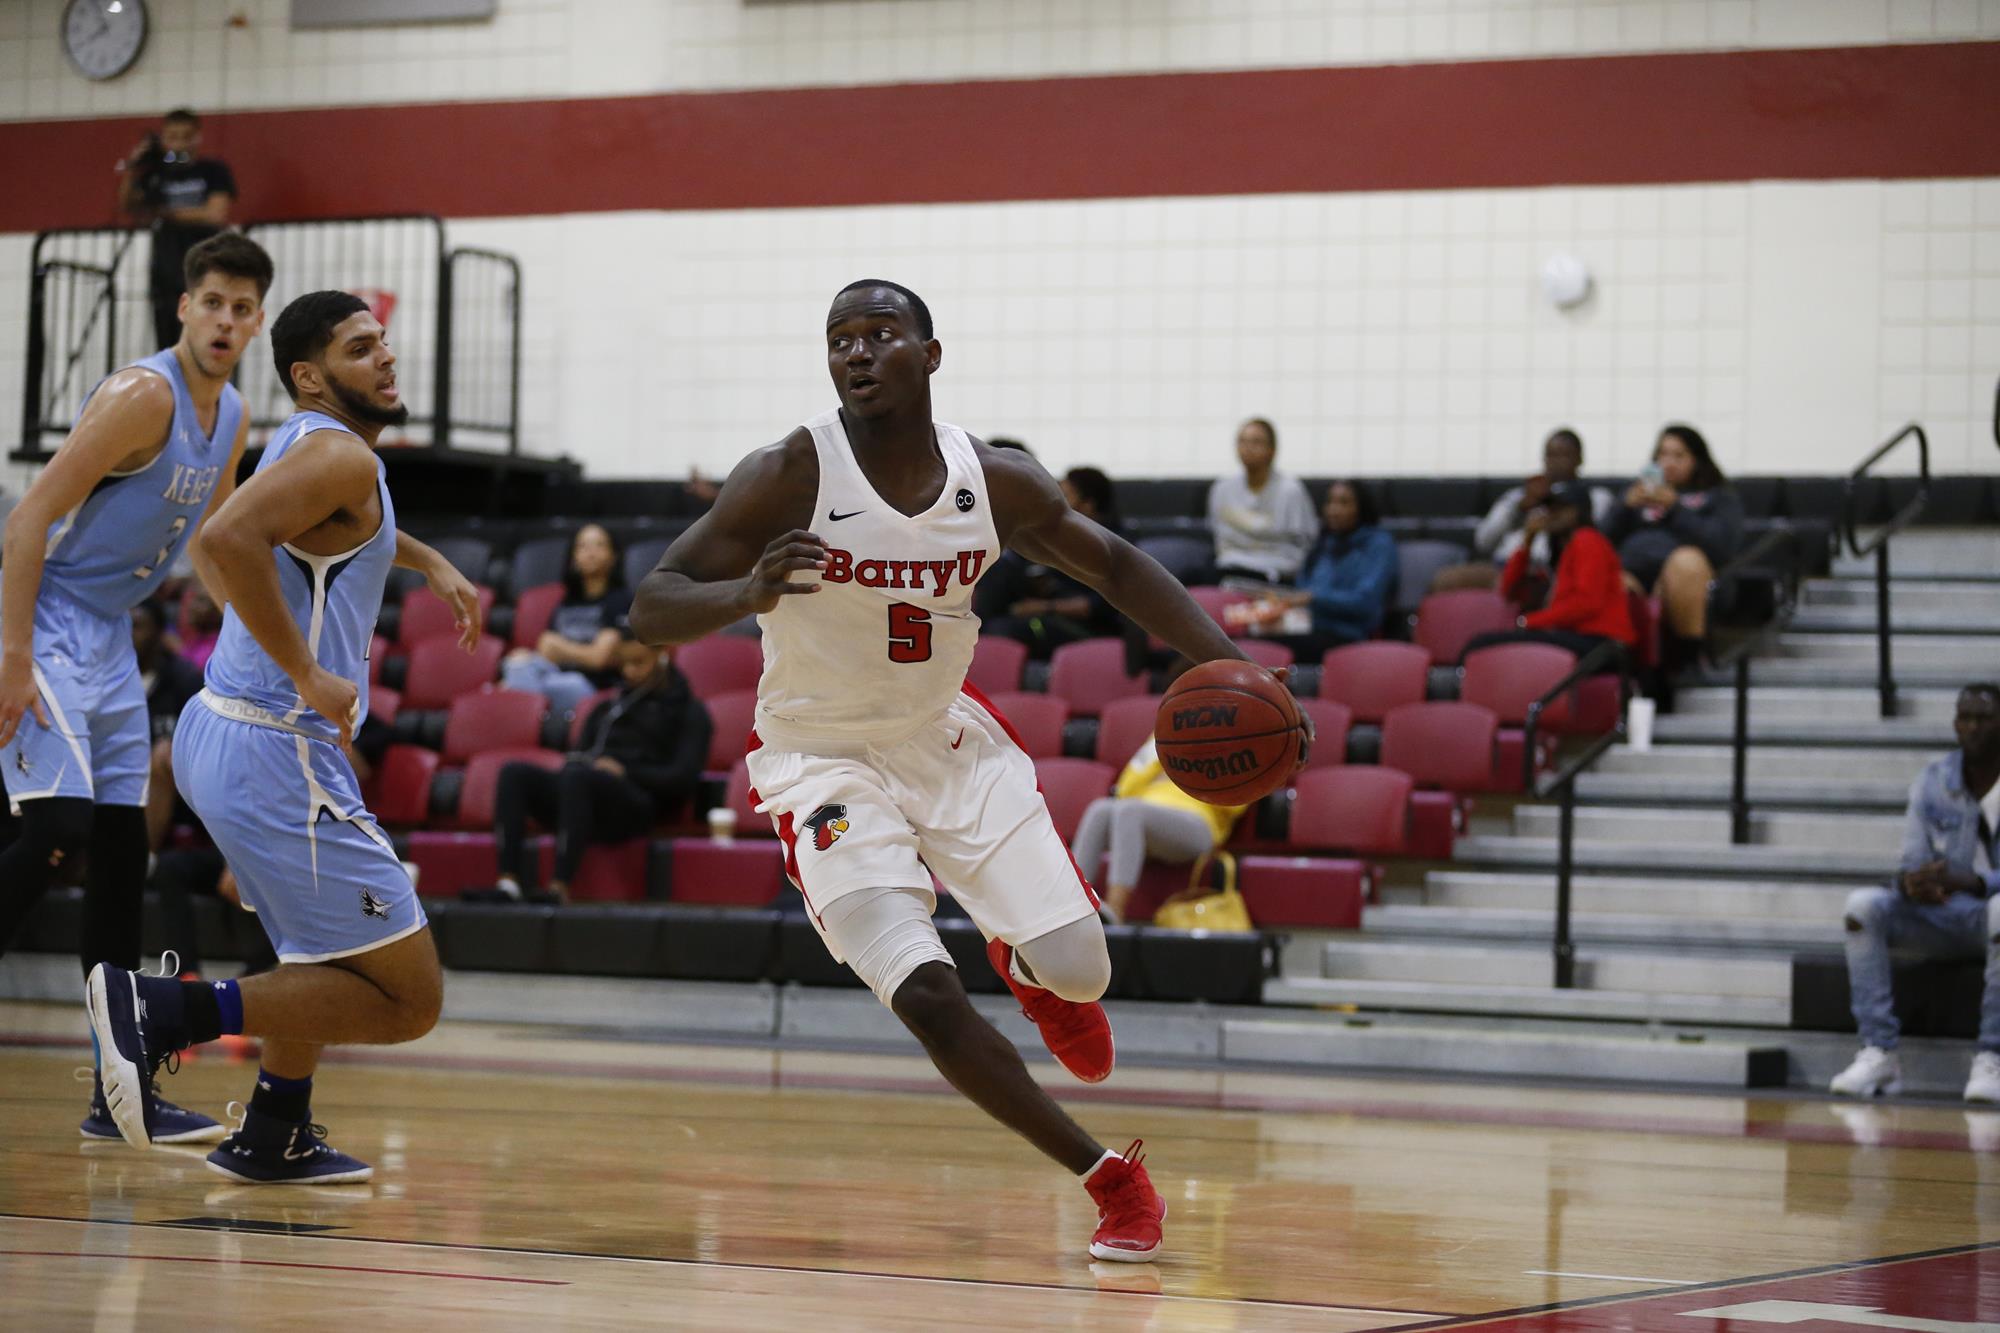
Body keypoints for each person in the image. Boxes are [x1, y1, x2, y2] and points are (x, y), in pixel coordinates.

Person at [630, 279, 1307, 1264]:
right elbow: (654, 603)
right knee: (926, 994)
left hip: (943, 738)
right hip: (818, 759)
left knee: (1085, 966)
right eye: (839, 340)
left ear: (929, 355)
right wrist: (747, 588)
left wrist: (1231, 670)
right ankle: (1108, 1178)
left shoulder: (991, 480)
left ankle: (1030, 967)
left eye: (879, 335)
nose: (856, 354)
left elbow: (1116, 567)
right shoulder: (787, 471)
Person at [83, 290, 484, 1185]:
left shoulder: (316, 448)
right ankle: (162, 1011)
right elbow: (222, 538)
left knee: (318, 952)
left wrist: (433, 560)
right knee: (408, 996)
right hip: (275, 744)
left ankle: (275, 1128)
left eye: (383, 342)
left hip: (223, 733)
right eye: (359, 348)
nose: (385, 357)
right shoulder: (340, 452)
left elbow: (346, 527)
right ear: (310, 375)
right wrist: (307, 669)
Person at [0, 232, 272, 1145]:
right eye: (213, 302)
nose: (226, 320)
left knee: (123, 858)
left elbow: (214, 544)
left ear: (256, 320)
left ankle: (117, 1092)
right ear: (184, 308)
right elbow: (30, 515)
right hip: (44, 617)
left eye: (243, 307)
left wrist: (257, 646)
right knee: (56, 828)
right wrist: (10, 652)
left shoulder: (231, 413)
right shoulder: (140, 395)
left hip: (112, 636)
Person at [1831, 685, 2000, 1104]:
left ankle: (1993, 1057)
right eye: (1964, 717)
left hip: (1989, 916)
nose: (1972, 727)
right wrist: (1909, 883)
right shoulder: (1933, 780)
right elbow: (1910, 858)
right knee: (1862, 907)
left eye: (1983, 718)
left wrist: (1977, 883)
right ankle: (1880, 1053)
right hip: (1940, 916)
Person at [491, 636, 712, 903]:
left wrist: (625, 772)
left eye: (639, 662)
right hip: (584, 794)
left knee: (577, 778)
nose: (629, 671)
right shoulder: (607, 708)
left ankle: (559, 888)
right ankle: (507, 884)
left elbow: (683, 779)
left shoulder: (691, 711)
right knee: (514, 773)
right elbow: (579, 756)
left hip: (638, 804)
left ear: (663, 654)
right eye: (624, 663)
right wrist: (583, 767)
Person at [1075, 730, 1246, 925]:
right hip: (1142, 813)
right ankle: (1072, 905)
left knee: (1130, 811)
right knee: (1100, 810)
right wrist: (1172, 764)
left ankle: (1115, 910)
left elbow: (1237, 801)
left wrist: (1183, 773)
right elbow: (1125, 788)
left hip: (1197, 818)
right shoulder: (1166, 730)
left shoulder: (1236, 734)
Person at [1458, 481, 1636, 662]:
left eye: (1561, 508)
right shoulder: (1557, 553)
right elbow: (1509, 591)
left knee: (1482, 645)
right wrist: (1528, 540)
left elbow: (1587, 602)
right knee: (1484, 645)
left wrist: (1530, 622)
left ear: (1579, 511)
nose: (1552, 513)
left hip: (1602, 642)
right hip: (1576, 637)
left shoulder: (1587, 539)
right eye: (1549, 508)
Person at [1603, 424, 1742, 644]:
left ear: (1696, 460)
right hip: (1635, 576)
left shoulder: (1717, 496)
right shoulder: (1635, 493)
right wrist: (1623, 507)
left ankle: (1688, 654)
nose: (1668, 462)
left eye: (1679, 455)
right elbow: (1600, 543)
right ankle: (1623, 664)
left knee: (1685, 563)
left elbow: (1721, 546)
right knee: (1607, 578)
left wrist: (1676, 508)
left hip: (1690, 580)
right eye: (1663, 454)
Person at [117, 109, 240, 352]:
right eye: (173, 137)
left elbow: (215, 213)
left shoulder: (213, 170)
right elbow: (128, 204)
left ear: (197, 137)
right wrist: (135, 167)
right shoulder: (157, 173)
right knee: (168, 340)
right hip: (165, 267)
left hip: (205, 265)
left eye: (186, 136)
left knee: (205, 335)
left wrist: (167, 213)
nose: (180, 143)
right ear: (164, 139)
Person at [1435, 428, 1615, 593]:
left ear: (1579, 459)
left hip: (1562, 571)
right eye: (1551, 455)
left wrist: (1568, 510)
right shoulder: (1519, 496)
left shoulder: (1596, 497)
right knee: (1446, 580)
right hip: (1507, 566)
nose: (1557, 463)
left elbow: (1600, 541)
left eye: (1565, 455)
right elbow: (1483, 541)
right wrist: (1519, 509)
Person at [1236, 480, 1397, 659]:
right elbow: (1301, 589)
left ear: (1362, 508)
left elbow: (1365, 602)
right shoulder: (1324, 543)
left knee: (1264, 648)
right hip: (1304, 625)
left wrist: (1313, 598)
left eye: (1343, 503)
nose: (1334, 510)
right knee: (1246, 638)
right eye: (1330, 502)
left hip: (1346, 633)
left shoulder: (1379, 545)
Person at [975, 466, 1123, 657]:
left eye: (1065, 497)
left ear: (1088, 504)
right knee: (1000, 570)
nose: (1057, 504)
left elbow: (1098, 606)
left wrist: (1043, 606)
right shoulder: (1064, 538)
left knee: (1002, 629)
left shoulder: (1112, 545)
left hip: (1084, 629)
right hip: (1051, 613)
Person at [501, 522, 632, 718]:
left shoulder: (621, 600)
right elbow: (546, 649)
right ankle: (531, 717)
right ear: (573, 557)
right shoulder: (566, 602)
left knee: (518, 683)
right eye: (583, 546)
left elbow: (600, 658)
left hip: (592, 686)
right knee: (516, 663)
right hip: (553, 676)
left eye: (599, 545)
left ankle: (527, 717)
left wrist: (559, 648)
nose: (590, 552)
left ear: (613, 556)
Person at [132, 597, 206, 851]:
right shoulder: (103, 679)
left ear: (160, 633)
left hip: (175, 795)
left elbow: (203, 744)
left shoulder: (185, 680)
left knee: (165, 753)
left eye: (136, 626)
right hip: (119, 778)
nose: (128, 635)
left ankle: (145, 858)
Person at [1206, 418, 1318, 584]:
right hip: (1229, 568)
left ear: (1272, 450)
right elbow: (1218, 537)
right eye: (1242, 441)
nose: (1247, 448)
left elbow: (1305, 543)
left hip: (1276, 573)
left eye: (1256, 442)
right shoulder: (1222, 489)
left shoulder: (1290, 491)